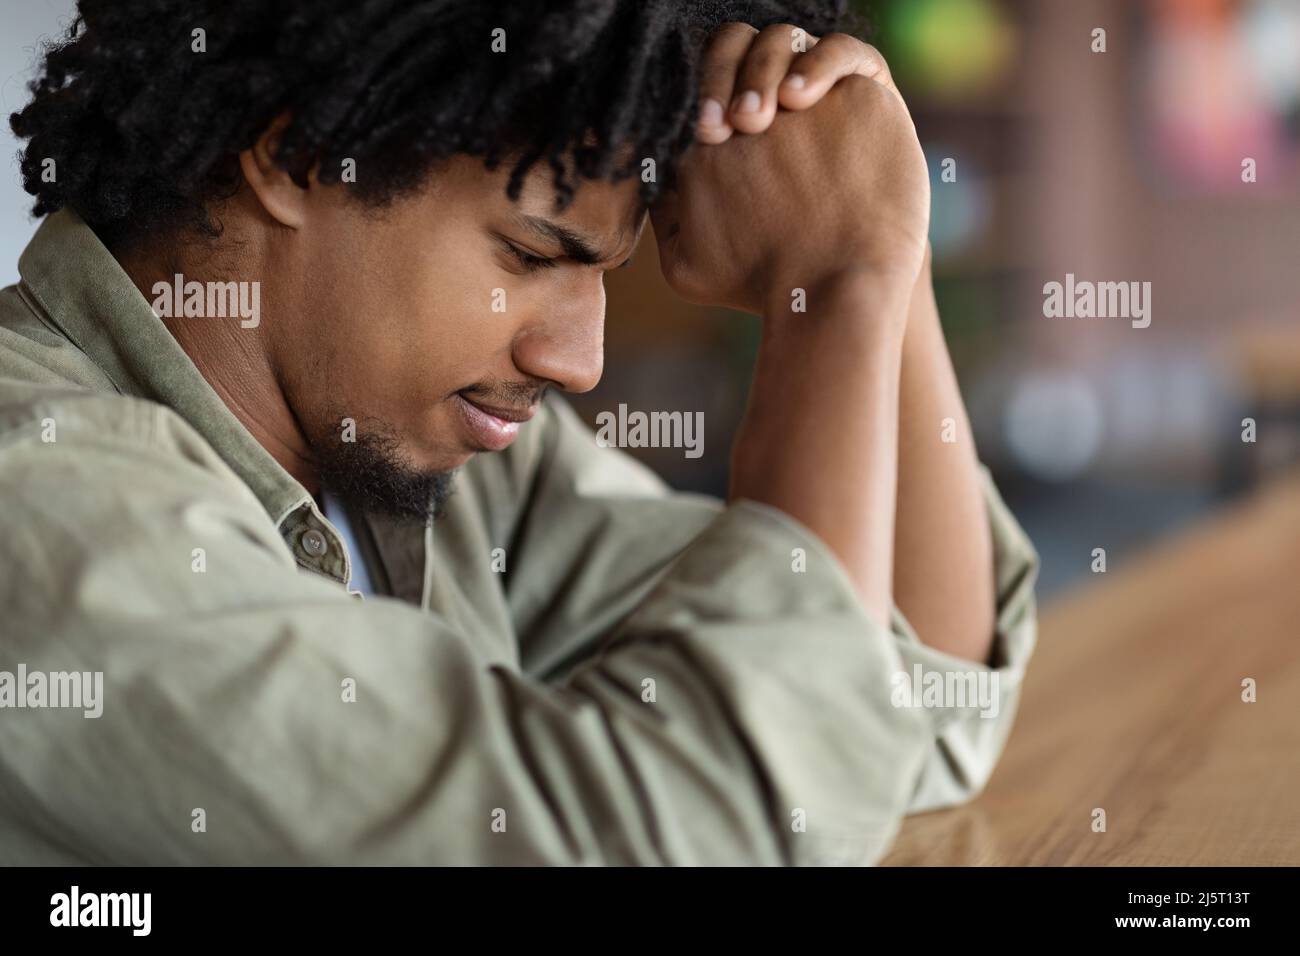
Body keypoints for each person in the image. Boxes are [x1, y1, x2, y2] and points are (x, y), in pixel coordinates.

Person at [0, 0, 1037, 865]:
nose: (576, 359)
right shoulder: (45, 506)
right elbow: (714, 822)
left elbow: (915, 699)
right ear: (296, 153)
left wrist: (879, 248)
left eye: (602, 268)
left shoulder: (442, 456)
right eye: (532, 253)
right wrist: (832, 282)